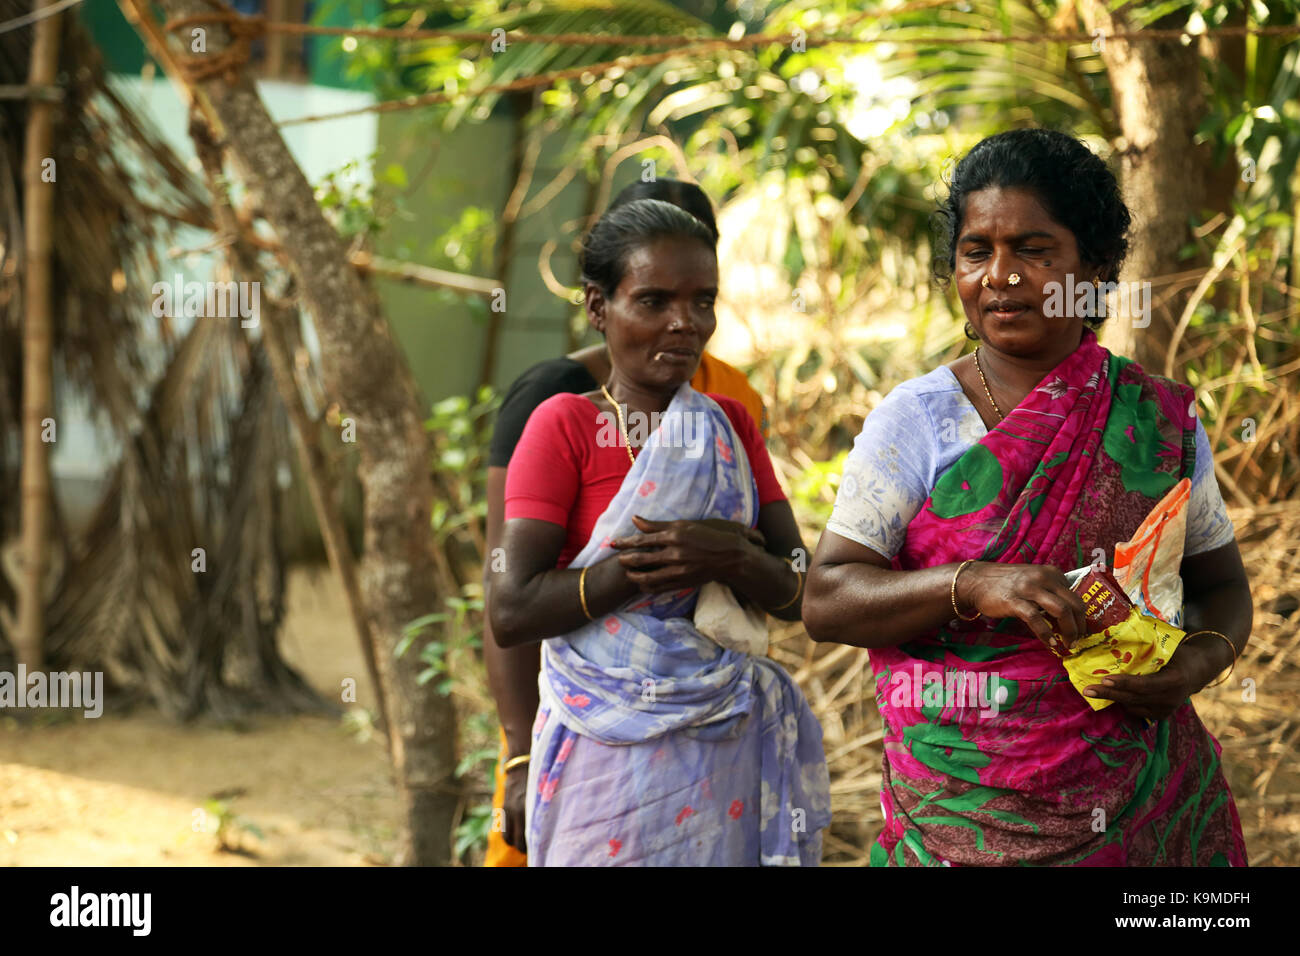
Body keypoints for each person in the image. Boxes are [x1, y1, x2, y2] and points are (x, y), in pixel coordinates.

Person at [802, 128, 1251, 866]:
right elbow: (826, 599)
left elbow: (1223, 588)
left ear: (1095, 268)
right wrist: (972, 584)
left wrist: (1192, 669)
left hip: (1141, 806)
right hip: (954, 806)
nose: (1000, 276)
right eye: (977, 251)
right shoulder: (916, 420)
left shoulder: (1156, 421)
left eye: (1035, 250)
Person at [488, 198, 829, 865]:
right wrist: (650, 566)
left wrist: (731, 557)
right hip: (600, 749)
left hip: (722, 746)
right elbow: (511, 608)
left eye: (703, 300)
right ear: (597, 307)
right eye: (653, 301)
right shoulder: (565, 425)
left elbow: (804, 595)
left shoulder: (729, 424)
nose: (684, 323)